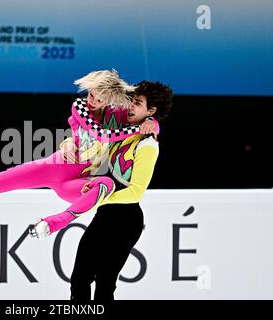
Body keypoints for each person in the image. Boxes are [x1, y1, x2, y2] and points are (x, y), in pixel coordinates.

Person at [0, 70, 159, 238]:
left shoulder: (117, 115)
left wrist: (153, 124)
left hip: (76, 181)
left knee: (105, 184)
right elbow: (101, 134)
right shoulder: (80, 106)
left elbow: (147, 123)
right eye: (91, 93)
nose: (92, 99)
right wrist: (140, 127)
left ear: (110, 100)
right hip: (55, 167)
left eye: (99, 97)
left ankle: (54, 223)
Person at [69, 80, 173, 301]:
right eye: (131, 102)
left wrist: (97, 200)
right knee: (80, 278)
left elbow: (136, 192)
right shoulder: (121, 130)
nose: (130, 107)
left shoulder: (148, 145)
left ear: (151, 110)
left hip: (126, 221)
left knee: (105, 284)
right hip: (105, 215)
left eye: (137, 104)